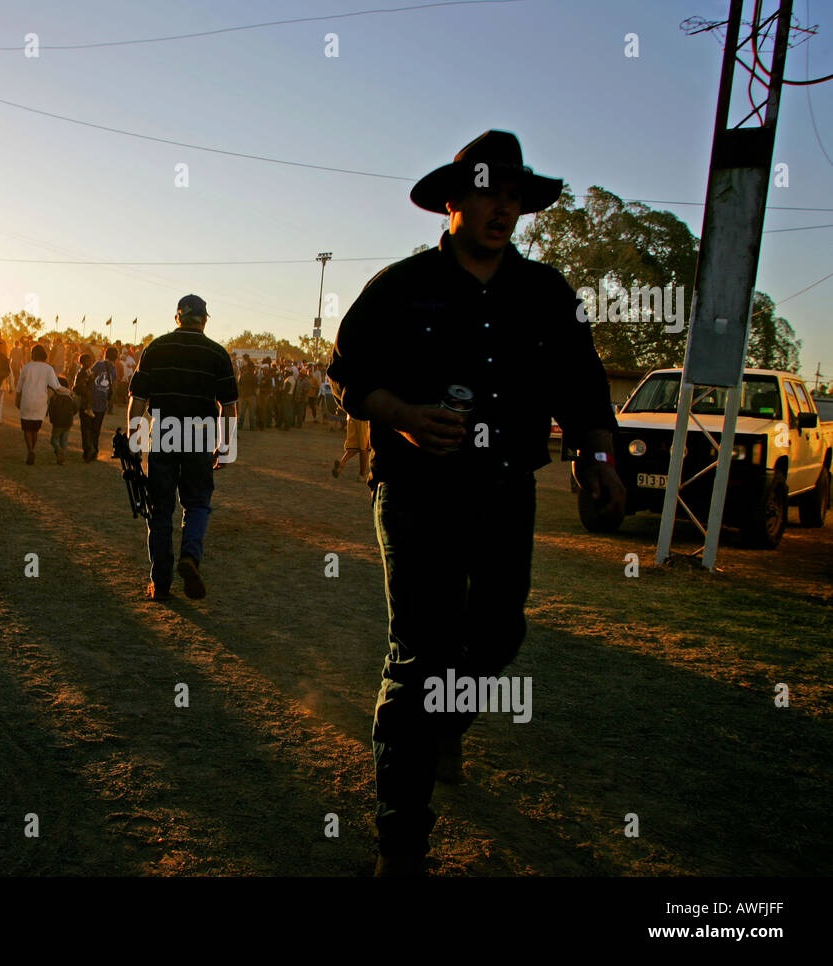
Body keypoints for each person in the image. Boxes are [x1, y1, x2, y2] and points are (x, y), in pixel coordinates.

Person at [327, 130, 625, 876]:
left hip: (505, 492)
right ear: (453, 200)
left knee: (496, 639)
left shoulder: (547, 295)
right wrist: (401, 414)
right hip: (417, 492)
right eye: (490, 192)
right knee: (419, 655)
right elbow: (349, 375)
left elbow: (583, 390)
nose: (503, 209)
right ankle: (402, 847)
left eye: (514, 196)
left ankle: (445, 722)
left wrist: (597, 461)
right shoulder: (399, 287)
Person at [127, 295, 238, 601]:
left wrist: (135, 441)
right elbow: (228, 406)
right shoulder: (217, 353)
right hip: (200, 434)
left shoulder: (155, 349)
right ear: (204, 320)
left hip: (165, 432)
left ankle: (160, 584)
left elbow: (136, 400)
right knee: (197, 503)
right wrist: (226, 447)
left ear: (177, 318)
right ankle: (190, 556)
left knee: (160, 509)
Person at [15, 343, 66, 464]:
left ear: (33, 354)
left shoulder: (27, 367)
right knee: (35, 429)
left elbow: (19, 386)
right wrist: (68, 392)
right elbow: (56, 386)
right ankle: (33, 449)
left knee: (27, 428)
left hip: (27, 400)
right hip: (40, 402)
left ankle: (30, 450)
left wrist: (17, 399)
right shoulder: (48, 369)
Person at [82, 345, 118, 461]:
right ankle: (95, 450)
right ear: (116, 358)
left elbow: (90, 376)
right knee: (97, 428)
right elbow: (113, 386)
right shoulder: (113, 370)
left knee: (88, 427)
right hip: (102, 402)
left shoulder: (98, 364)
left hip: (91, 399)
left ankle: (88, 450)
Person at [48, 374, 77, 465]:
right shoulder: (70, 397)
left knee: (54, 440)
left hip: (57, 422)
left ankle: (58, 449)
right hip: (68, 422)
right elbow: (75, 409)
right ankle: (62, 456)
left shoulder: (55, 398)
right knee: (64, 440)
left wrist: (52, 420)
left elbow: (51, 410)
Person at [332, 414, 370, 481]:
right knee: (364, 447)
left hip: (351, 417)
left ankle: (341, 464)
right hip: (362, 418)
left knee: (354, 446)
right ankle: (362, 475)